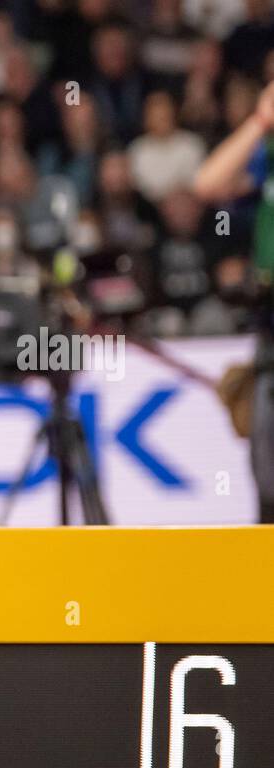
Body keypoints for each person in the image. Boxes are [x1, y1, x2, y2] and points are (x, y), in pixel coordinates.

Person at [194, 78, 274, 522]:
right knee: (266, 479)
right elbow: (208, 183)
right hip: (269, 336)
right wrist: (260, 121)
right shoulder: (267, 159)